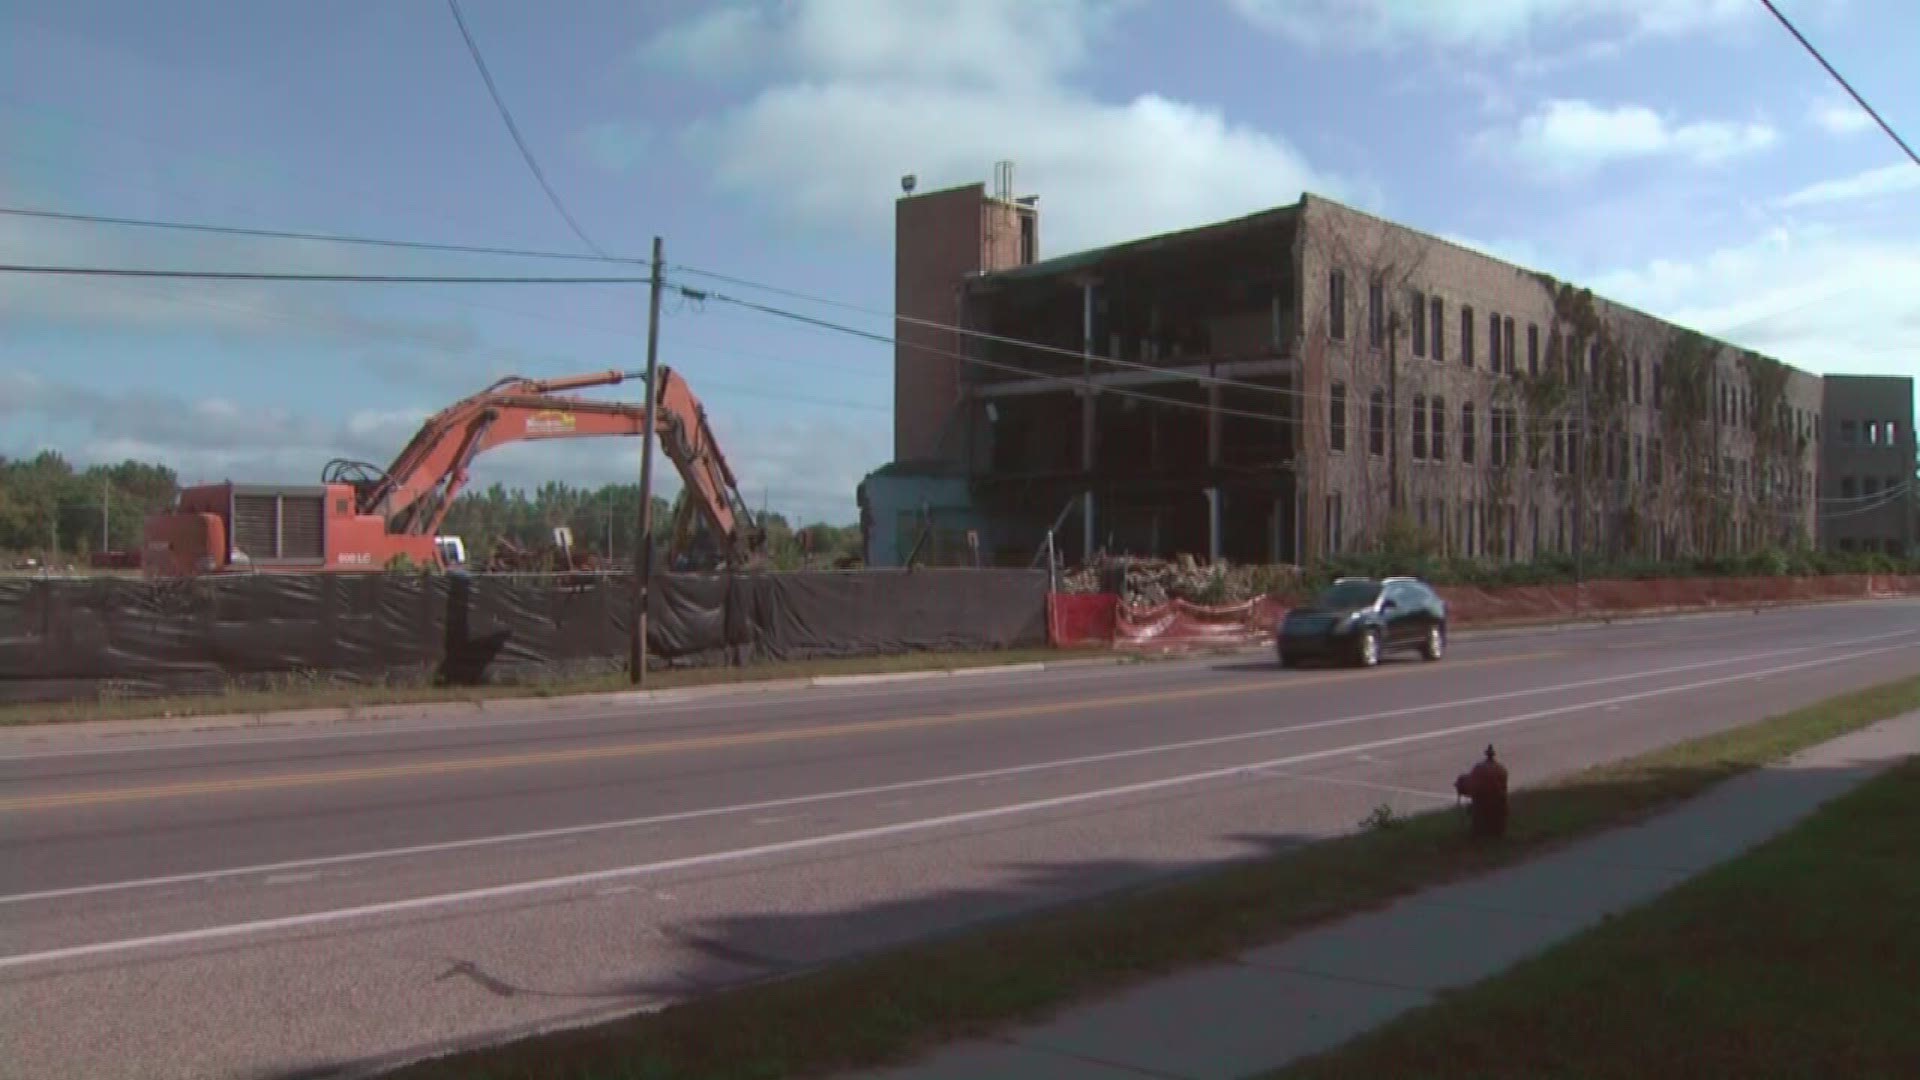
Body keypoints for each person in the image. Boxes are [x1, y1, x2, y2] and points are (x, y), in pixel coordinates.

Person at [1455, 744, 1510, 839]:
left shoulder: (1479, 769)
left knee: (1479, 812)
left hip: (1483, 801)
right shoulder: (1501, 768)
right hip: (1498, 802)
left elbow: (1474, 786)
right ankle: (1496, 832)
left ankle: (1481, 833)